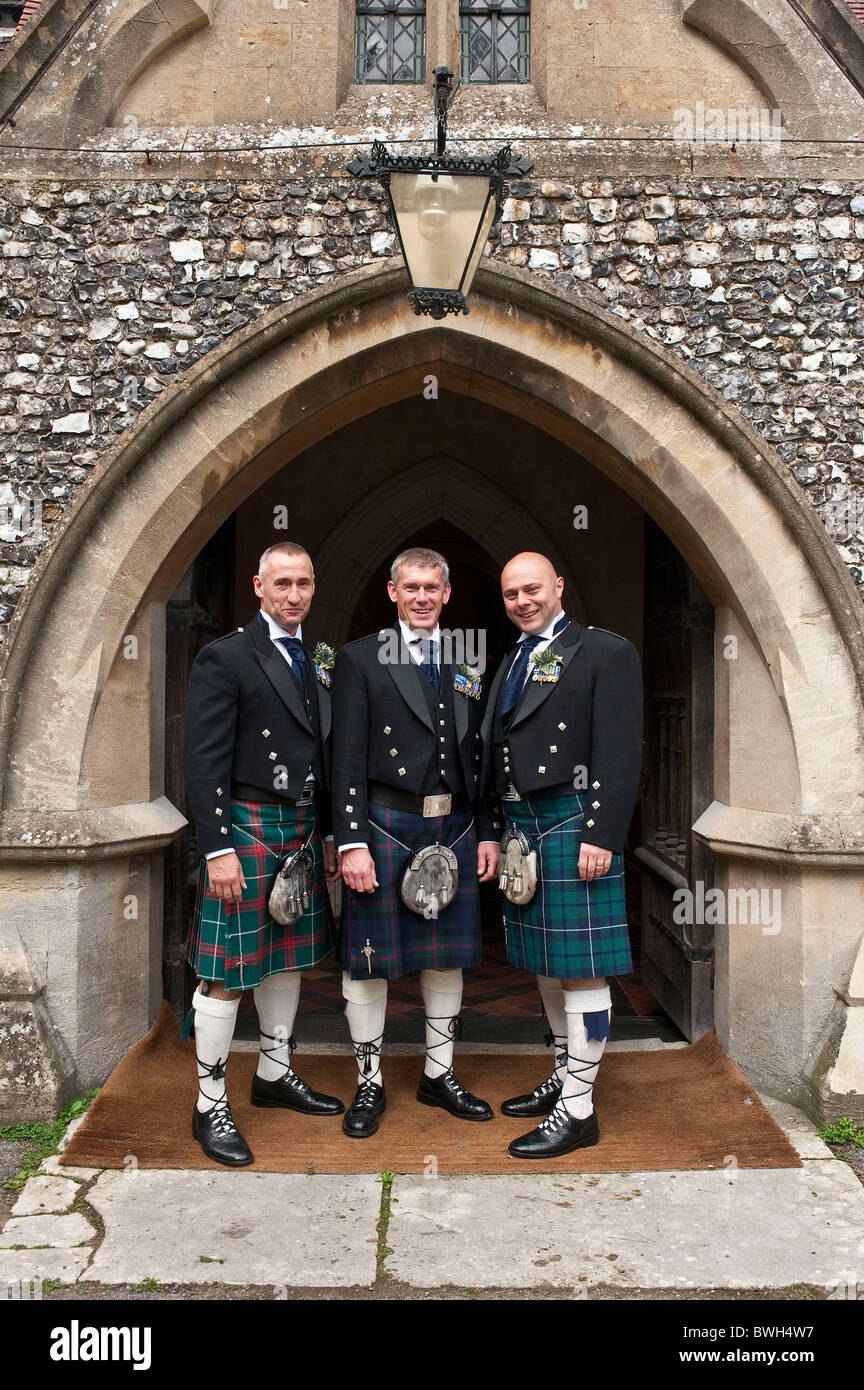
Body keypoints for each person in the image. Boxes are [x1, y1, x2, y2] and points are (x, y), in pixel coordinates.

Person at [331, 547, 500, 1137]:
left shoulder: (468, 658)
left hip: (452, 826)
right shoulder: (361, 659)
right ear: (393, 592)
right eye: (412, 588)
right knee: (369, 964)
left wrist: (484, 830)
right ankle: (369, 1081)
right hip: (384, 824)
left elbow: (480, 754)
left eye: (433, 587)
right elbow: (345, 757)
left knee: (446, 958)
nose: (423, 597)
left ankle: (438, 1073)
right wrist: (350, 841)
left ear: (447, 594)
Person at [183, 541, 343, 1167]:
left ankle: (274, 1074)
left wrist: (329, 832)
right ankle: (210, 1102)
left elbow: (326, 757)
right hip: (246, 828)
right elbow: (203, 760)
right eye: (282, 583)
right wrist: (216, 847)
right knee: (225, 973)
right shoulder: (226, 657)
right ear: (258, 586)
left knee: (284, 960)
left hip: (299, 828)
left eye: (304, 582)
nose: (295, 594)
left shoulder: (317, 658)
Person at [480, 552, 643, 1158]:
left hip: (575, 823)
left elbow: (621, 751)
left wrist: (602, 834)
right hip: (527, 823)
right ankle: (565, 1073)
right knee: (547, 961)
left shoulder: (605, 652)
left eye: (533, 590)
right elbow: (498, 749)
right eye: (511, 594)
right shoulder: (513, 658)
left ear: (559, 588)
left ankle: (579, 1108)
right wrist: (497, 824)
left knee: (582, 966)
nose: (522, 601)